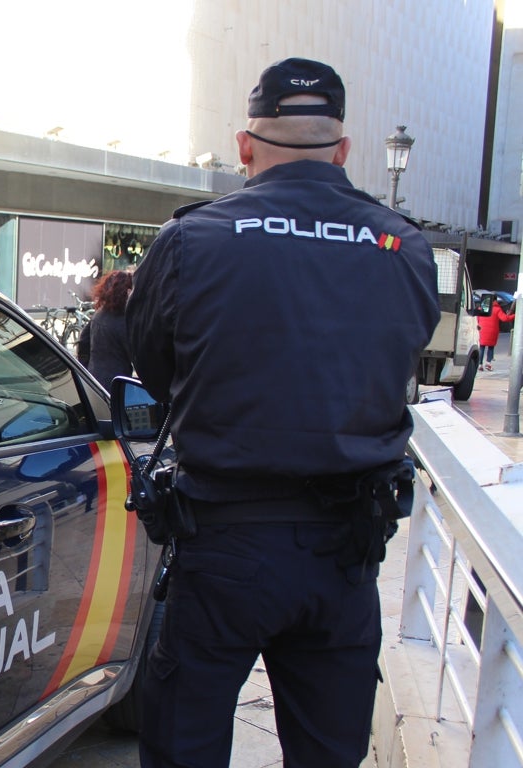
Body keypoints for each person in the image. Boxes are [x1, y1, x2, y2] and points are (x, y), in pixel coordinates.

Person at [125, 58, 440, 768]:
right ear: (345, 148)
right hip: (345, 550)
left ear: (245, 146)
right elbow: (402, 362)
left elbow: (158, 373)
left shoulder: (192, 239)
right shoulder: (403, 245)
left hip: (225, 540)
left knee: (185, 746)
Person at [75, 269, 133, 389]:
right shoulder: (123, 321)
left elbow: (83, 341)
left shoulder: (99, 313)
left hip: (94, 379)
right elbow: (138, 356)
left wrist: (85, 367)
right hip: (117, 384)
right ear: (125, 292)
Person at [478, 297, 515, 371]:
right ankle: (488, 363)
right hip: (492, 331)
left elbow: (478, 318)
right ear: (495, 300)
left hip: (481, 330)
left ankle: (480, 365)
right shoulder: (497, 309)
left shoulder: (482, 308)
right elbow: (504, 318)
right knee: (491, 347)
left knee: (481, 347)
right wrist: (515, 315)